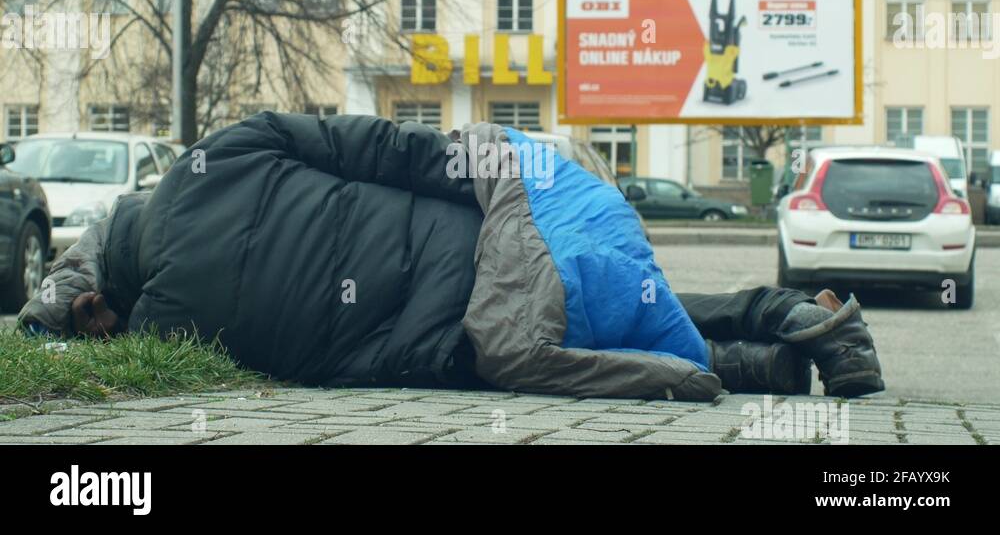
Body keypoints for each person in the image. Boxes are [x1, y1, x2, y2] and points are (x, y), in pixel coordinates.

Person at [18, 113, 883, 400]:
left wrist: (440, 363)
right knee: (612, 292)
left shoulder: (168, 333)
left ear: (103, 302)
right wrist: (480, 176)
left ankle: (768, 358)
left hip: (464, 329)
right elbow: (379, 147)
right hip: (483, 229)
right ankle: (797, 333)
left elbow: (325, 363)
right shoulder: (228, 147)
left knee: (596, 325)